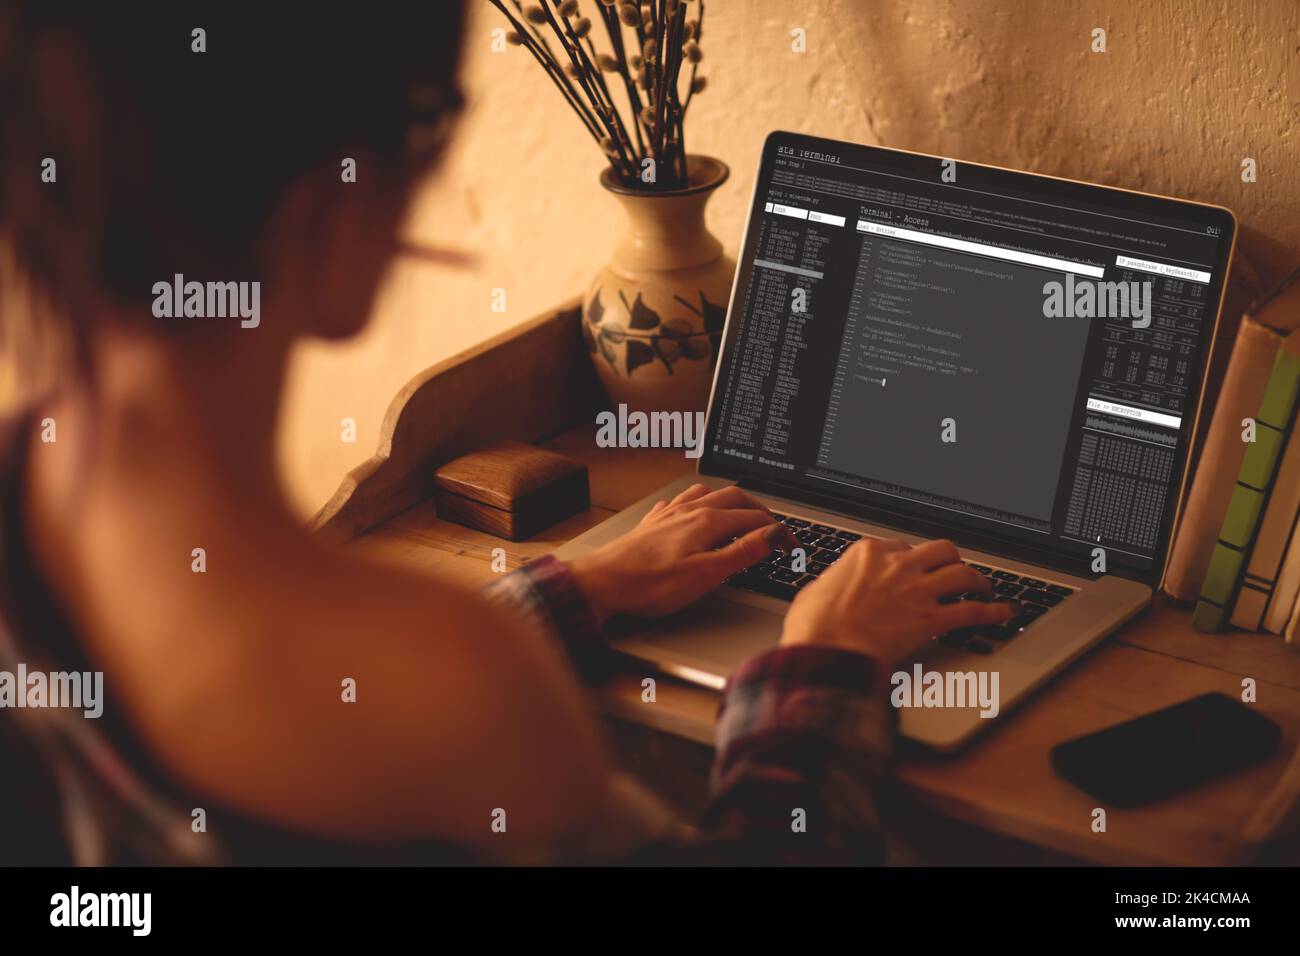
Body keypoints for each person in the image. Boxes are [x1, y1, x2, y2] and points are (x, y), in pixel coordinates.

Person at [0, 2, 1016, 865]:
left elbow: (367, 705)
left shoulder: (29, 489)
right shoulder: (465, 682)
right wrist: (824, 659)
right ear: (325, 220)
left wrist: (578, 590)